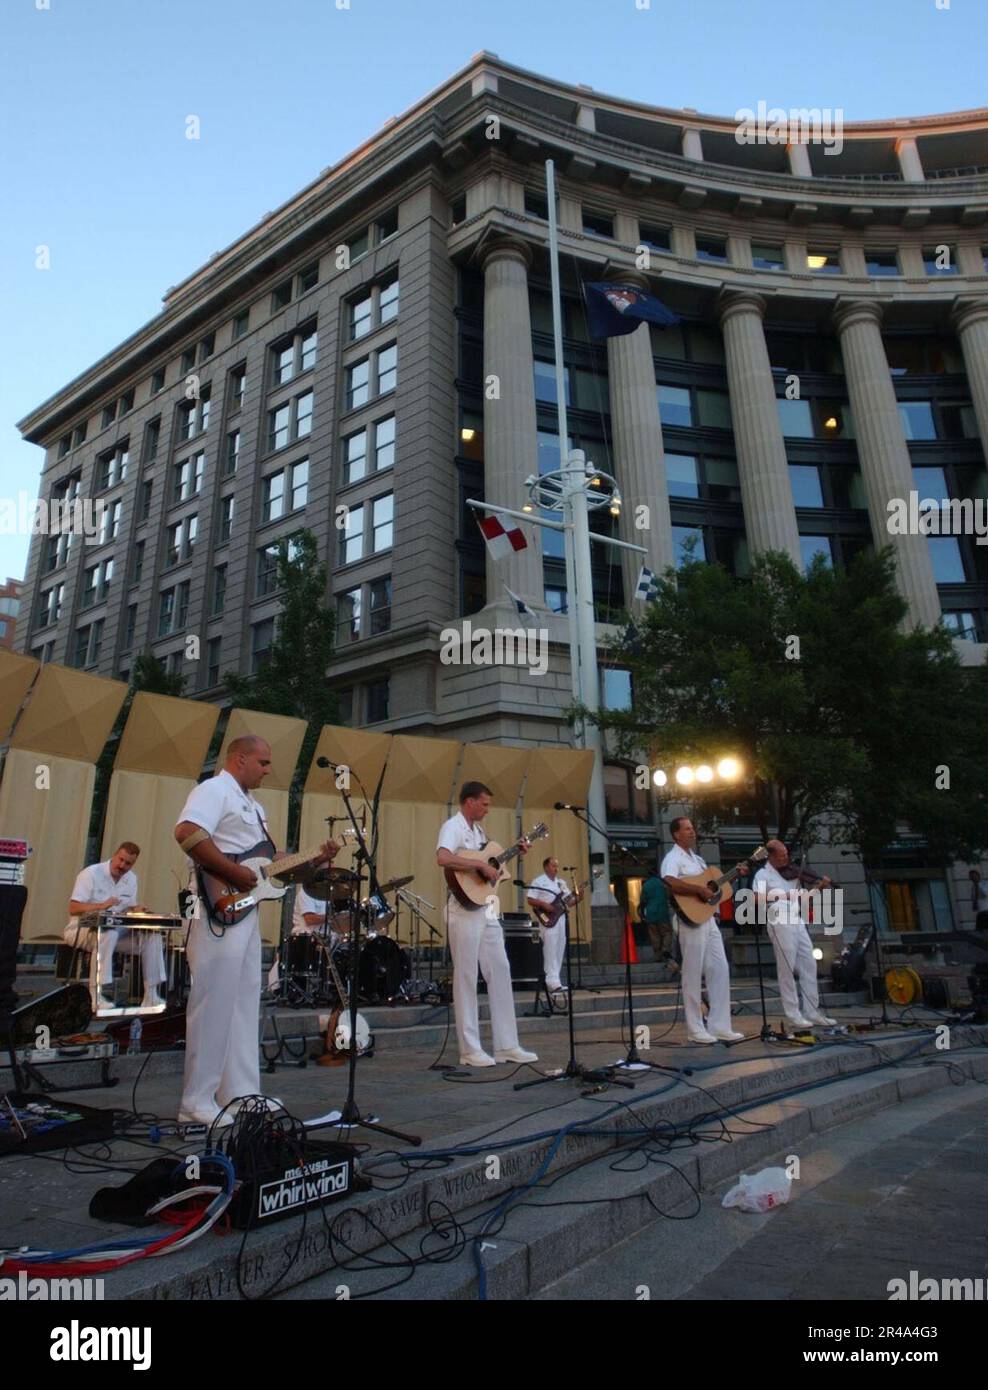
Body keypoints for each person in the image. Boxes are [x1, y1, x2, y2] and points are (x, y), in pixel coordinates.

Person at [174, 736, 339, 1126]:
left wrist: (314, 857)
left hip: (244, 913)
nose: (268, 769)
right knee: (213, 1002)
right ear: (239, 758)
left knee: (244, 1000)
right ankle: (196, 1101)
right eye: (263, 762)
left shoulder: (254, 805)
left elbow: (267, 861)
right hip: (217, 909)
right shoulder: (214, 790)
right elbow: (187, 832)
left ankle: (241, 1093)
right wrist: (233, 873)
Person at [436, 781, 538, 1068]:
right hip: (463, 909)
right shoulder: (453, 826)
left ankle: (507, 1045)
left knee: (501, 969)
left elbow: (491, 869)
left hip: (485, 908)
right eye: (484, 803)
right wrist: (479, 866)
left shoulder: (480, 833)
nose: (487, 809)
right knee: (467, 975)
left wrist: (509, 855)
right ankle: (470, 1050)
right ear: (469, 802)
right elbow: (443, 857)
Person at [661, 817, 746, 1045]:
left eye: (693, 828)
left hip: (708, 920)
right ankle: (695, 1028)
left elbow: (714, 887)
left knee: (719, 969)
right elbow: (669, 881)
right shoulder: (672, 858)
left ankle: (720, 1026)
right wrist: (698, 888)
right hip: (690, 920)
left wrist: (735, 874)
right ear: (676, 834)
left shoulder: (698, 860)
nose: (692, 832)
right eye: (687, 829)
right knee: (692, 972)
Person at [63, 842, 165, 1009]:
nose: (123, 866)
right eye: (121, 860)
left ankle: (151, 994)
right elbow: (73, 908)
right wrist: (100, 906)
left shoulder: (131, 879)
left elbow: (128, 908)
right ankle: (96, 995)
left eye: (128, 863)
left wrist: (137, 910)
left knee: (152, 937)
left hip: (115, 932)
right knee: (107, 934)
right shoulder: (91, 873)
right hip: (81, 930)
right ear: (115, 855)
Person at [753, 840, 837, 1031]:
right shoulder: (762, 874)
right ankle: (793, 1014)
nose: (786, 858)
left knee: (809, 963)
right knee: (787, 968)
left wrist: (818, 888)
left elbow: (802, 898)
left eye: (786, 854)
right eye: (781, 855)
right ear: (771, 856)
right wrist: (784, 896)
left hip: (796, 919)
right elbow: (757, 898)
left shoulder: (793, 874)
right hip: (778, 919)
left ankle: (812, 1011)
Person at [527, 856, 581, 995]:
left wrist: (578, 897)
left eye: (557, 866)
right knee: (550, 948)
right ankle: (551, 982)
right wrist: (543, 904)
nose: (556, 868)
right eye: (553, 866)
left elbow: (568, 902)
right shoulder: (539, 881)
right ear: (545, 867)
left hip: (561, 918)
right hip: (546, 918)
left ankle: (555, 980)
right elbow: (530, 899)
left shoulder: (561, 883)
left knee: (559, 948)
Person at [639, 861, 678, 977]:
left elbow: (642, 901)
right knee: (666, 932)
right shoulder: (662, 883)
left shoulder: (645, 885)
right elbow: (669, 896)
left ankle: (657, 956)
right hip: (662, 912)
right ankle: (666, 950)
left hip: (651, 913)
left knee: (654, 935)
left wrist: (642, 913)